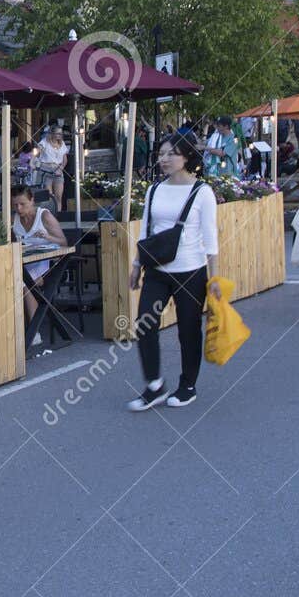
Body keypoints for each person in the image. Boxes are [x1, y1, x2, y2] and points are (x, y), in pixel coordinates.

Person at [125, 134, 222, 410]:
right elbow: (146, 228)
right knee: (145, 323)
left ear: (187, 157)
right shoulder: (154, 189)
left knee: (188, 329)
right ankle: (154, 384)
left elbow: (210, 236)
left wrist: (214, 277)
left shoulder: (202, 192)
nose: (164, 159)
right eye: (161, 153)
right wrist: (136, 265)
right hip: (157, 269)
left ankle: (187, 385)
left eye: (171, 154)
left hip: (191, 270)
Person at [11, 185, 67, 337]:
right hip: (26, 261)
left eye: (23, 204)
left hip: (47, 262)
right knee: (13, 278)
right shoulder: (14, 218)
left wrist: (47, 237)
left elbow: (63, 242)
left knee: (23, 281)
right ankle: (18, 330)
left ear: (32, 200)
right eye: (15, 204)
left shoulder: (44, 216)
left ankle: (33, 332)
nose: (19, 208)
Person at [36, 125, 69, 209]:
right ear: (52, 133)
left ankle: (58, 217)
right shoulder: (44, 142)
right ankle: (50, 217)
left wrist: (60, 169)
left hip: (58, 170)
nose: (59, 135)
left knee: (58, 197)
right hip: (46, 170)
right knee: (49, 197)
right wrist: (34, 159)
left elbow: (65, 160)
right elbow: (37, 152)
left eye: (60, 133)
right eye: (57, 133)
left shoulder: (62, 144)